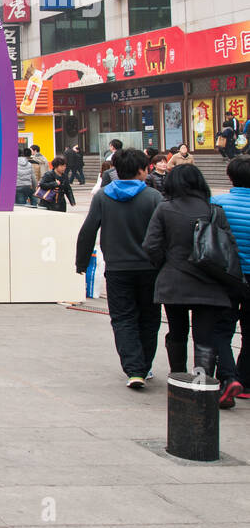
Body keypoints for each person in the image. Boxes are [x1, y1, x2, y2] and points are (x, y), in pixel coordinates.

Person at [145, 164, 243, 405]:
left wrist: (165, 264)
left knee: (177, 332)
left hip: (174, 282)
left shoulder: (165, 209)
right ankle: (202, 385)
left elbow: (151, 245)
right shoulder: (214, 211)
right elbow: (229, 247)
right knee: (205, 338)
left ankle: (178, 381)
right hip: (209, 284)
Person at [75, 148, 164, 389]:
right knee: (149, 317)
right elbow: (163, 235)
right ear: (141, 170)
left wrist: (81, 262)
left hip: (117, 270)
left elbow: (88, 231)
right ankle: (143, 366)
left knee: (123, 318)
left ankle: (134, 369)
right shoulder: (153, 197)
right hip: (150, 270)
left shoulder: (103, 197)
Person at [214, 156, 250, 396]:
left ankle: (228, 378)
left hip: (226, 276)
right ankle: (246, 381)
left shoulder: (217, 203)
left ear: (230, 176)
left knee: (221, 329)